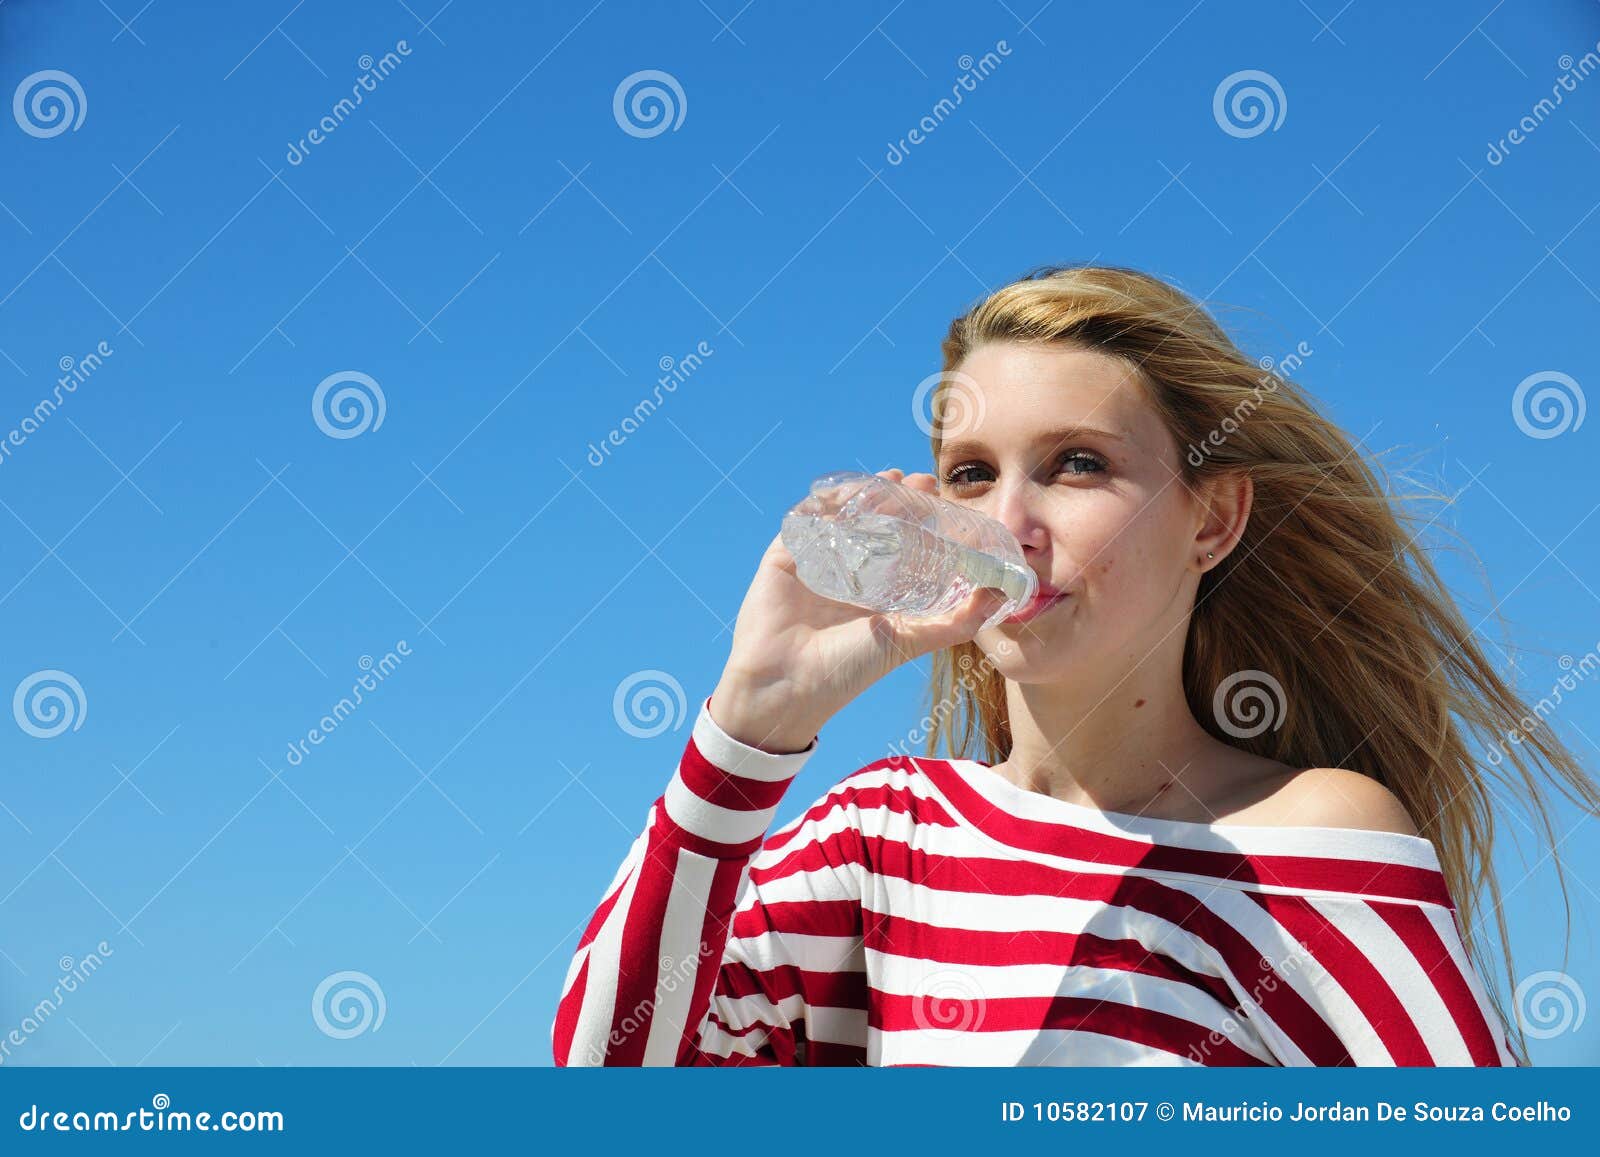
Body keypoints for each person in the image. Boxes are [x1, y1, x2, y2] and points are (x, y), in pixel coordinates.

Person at [551, 263, 1598, 1066]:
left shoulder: (1311, 840)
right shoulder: (885, 838)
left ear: (1214, 517)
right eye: (970, 475)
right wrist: (750, 720)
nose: (1008, 524)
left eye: (1077, 465)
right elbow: (608, 1075)